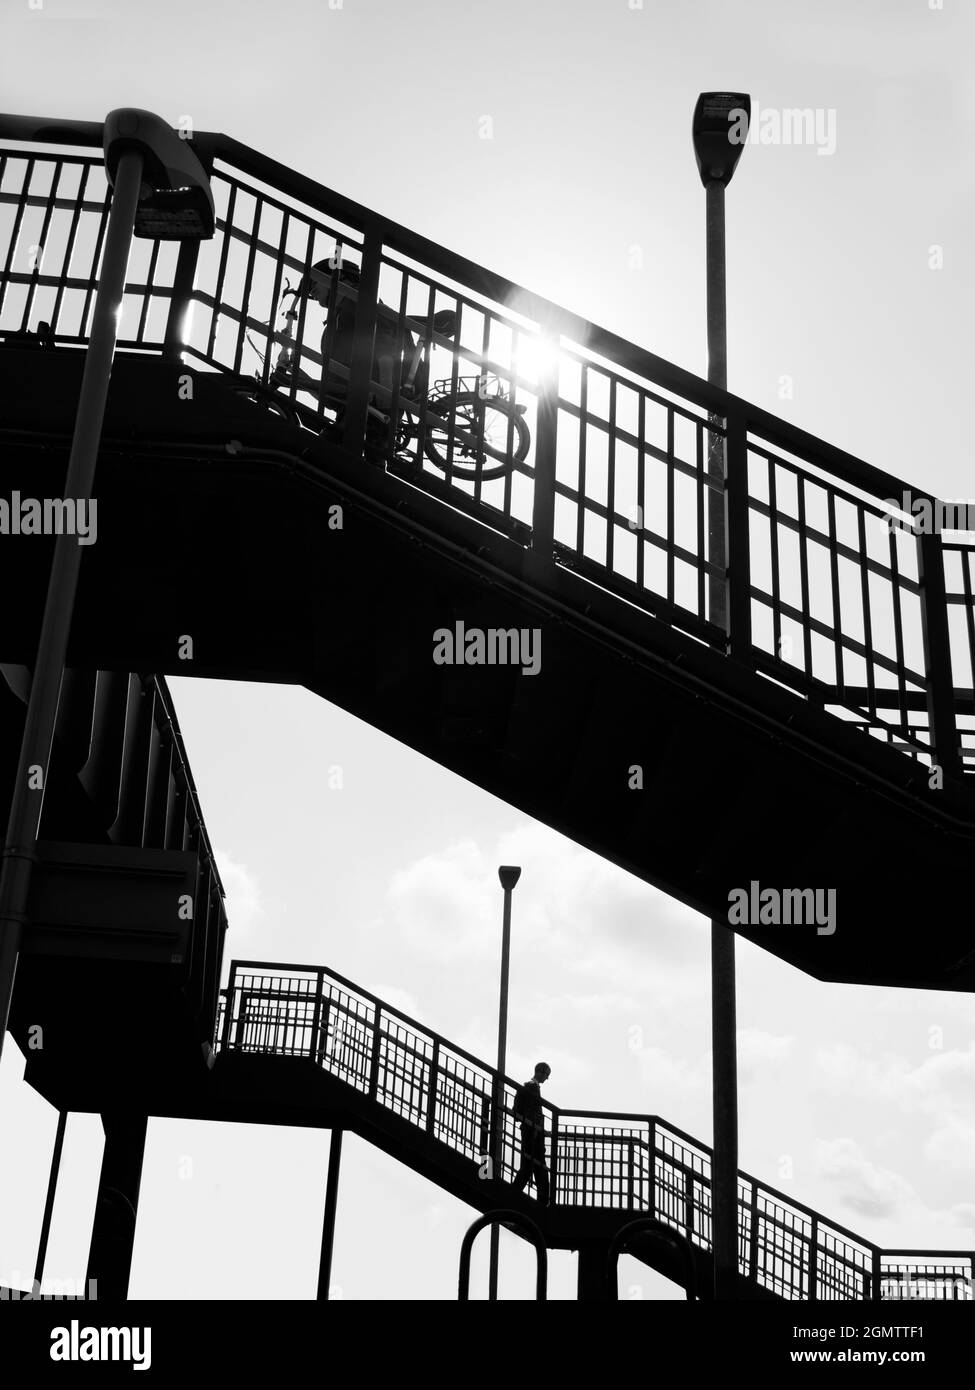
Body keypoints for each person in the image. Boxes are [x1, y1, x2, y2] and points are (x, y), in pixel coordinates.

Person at [511, 1062, 552, 1205]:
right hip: (533, 1133)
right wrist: (537, 1129)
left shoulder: (526, 1086)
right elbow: (533, 1111)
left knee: (528, 1168)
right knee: (537, 1168)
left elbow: (517, 1110)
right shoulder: (533, 1087)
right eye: (547, 1075)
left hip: (529, 1130)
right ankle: (543, 1203)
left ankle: (512, 1198)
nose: (546, 1079)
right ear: (541, 1072)